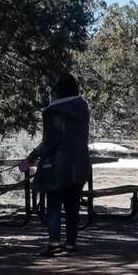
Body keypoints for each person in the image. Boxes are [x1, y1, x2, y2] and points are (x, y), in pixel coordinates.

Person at [20, 72, 91, 256]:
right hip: (81, 164)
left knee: (53, 204)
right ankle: (71, 243)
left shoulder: (53, 112)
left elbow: (50, 141)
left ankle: (54, 243)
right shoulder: (82, 107)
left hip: (57, 166)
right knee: (73, 205)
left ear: (58, 91)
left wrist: (30, 158)